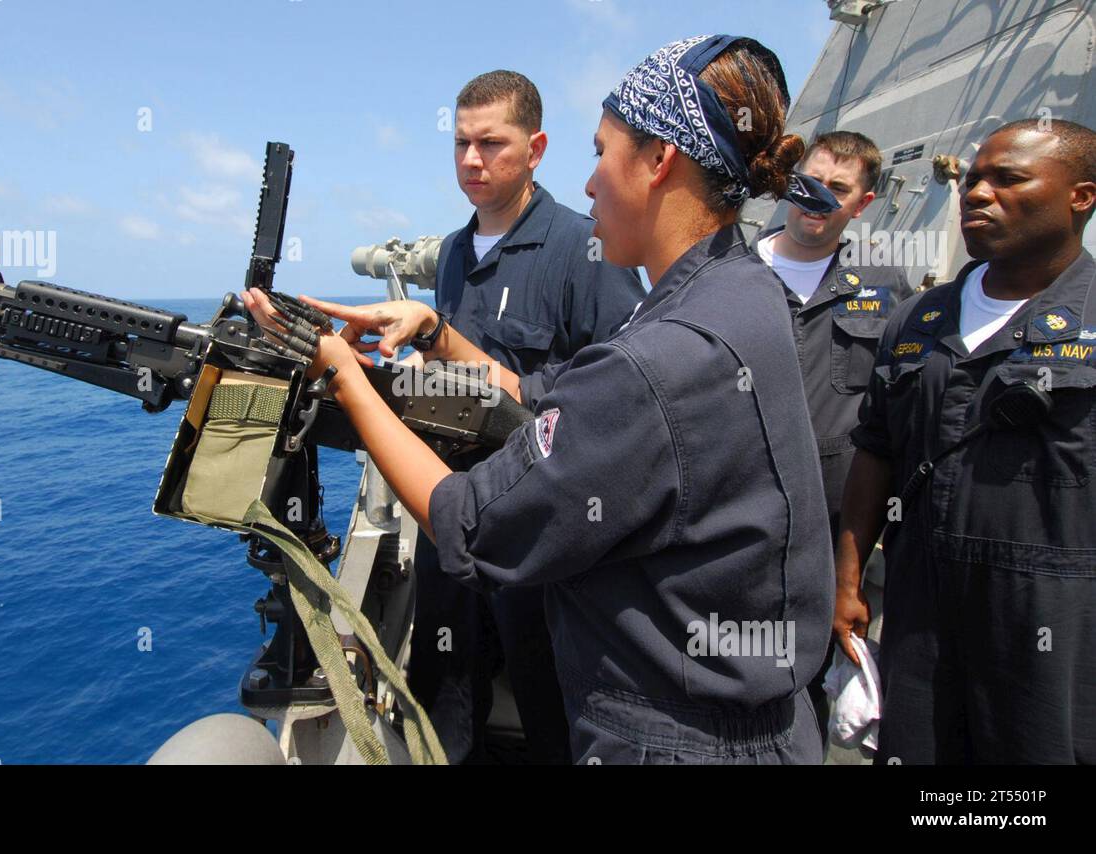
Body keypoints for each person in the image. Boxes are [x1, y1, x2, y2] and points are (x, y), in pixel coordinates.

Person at [246, 34, 838, 763]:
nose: (590, 185)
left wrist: (342, 376)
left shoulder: (657, 357)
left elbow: (469, 523)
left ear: (659, 162)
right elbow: (549, 389)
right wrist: (435, 332)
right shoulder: (744, 290)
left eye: (602, 152)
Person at [833, 118, 1096, 764]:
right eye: (973, 180)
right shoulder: (917, 321)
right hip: (923, 615)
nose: (977, 194)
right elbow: (877, 451)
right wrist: (847, 582)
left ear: (1080, 197)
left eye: (1008, 180)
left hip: (1053, 621)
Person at [409, 70, 645, 764]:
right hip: (450, 506)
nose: (471, 161)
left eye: (492, 143)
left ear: (536, 148)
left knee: (550, 701)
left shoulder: (583, 249)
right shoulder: (453, 253)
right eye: (460, 144)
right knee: (446, 690)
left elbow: (619, 385)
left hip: (541, 529)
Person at [754, 130, 913, 738]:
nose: (816, 196)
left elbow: (894, 412)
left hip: (831, 532)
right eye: (807, 181)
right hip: (741, 519)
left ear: (862, 204)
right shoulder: (735, 272)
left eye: (837, 189)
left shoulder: (884, 287)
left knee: (807, 689)